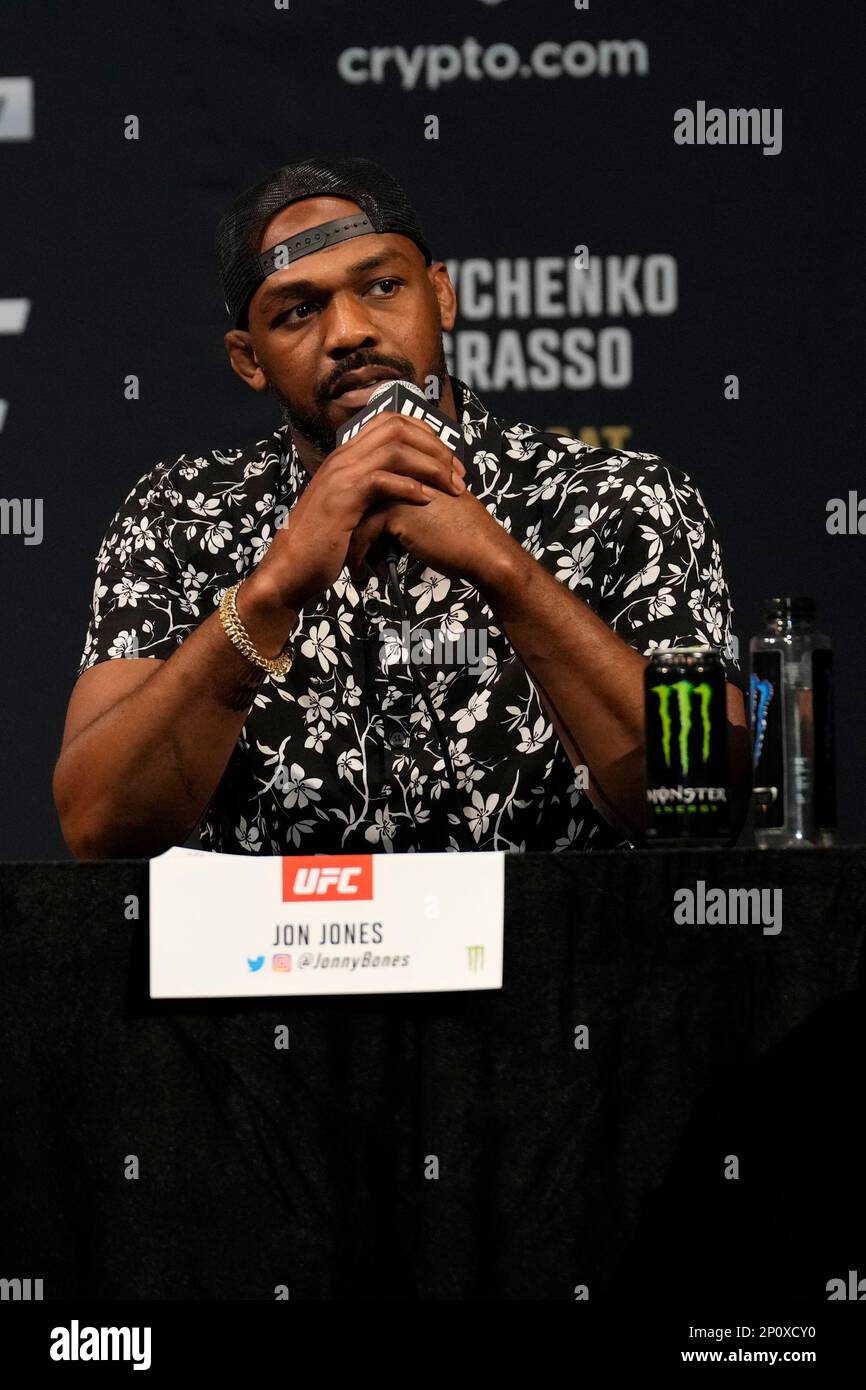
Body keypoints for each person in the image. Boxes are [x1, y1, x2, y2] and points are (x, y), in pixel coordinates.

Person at [53, 154, 750, 859]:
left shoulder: (616, 498)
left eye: (383, 286)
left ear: (441, 296)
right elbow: (99, 826)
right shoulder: (180, 515)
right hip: (276, 965)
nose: (350, 331)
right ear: (249, 359)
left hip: (558, 960)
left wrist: (505, 570)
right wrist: (274, 590)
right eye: (299, 310)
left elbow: (709, 800)